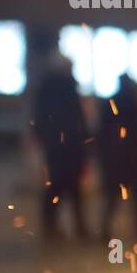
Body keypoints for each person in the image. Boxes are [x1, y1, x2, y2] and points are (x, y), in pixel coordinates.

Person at [31, 50, 89, 241]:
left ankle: (68, 227)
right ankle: (58, 228)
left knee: (66, 188)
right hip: (63, 147)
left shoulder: (52, 87)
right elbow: (75, 118)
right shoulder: (60, 88)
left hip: (61, 146)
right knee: (59, 186)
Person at [98, 74, 137, 243]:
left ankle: (106, 230)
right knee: (136, 196)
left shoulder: (111, 103)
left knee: (113, 197)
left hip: (116, 159)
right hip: (133, 157)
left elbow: (102, 133)